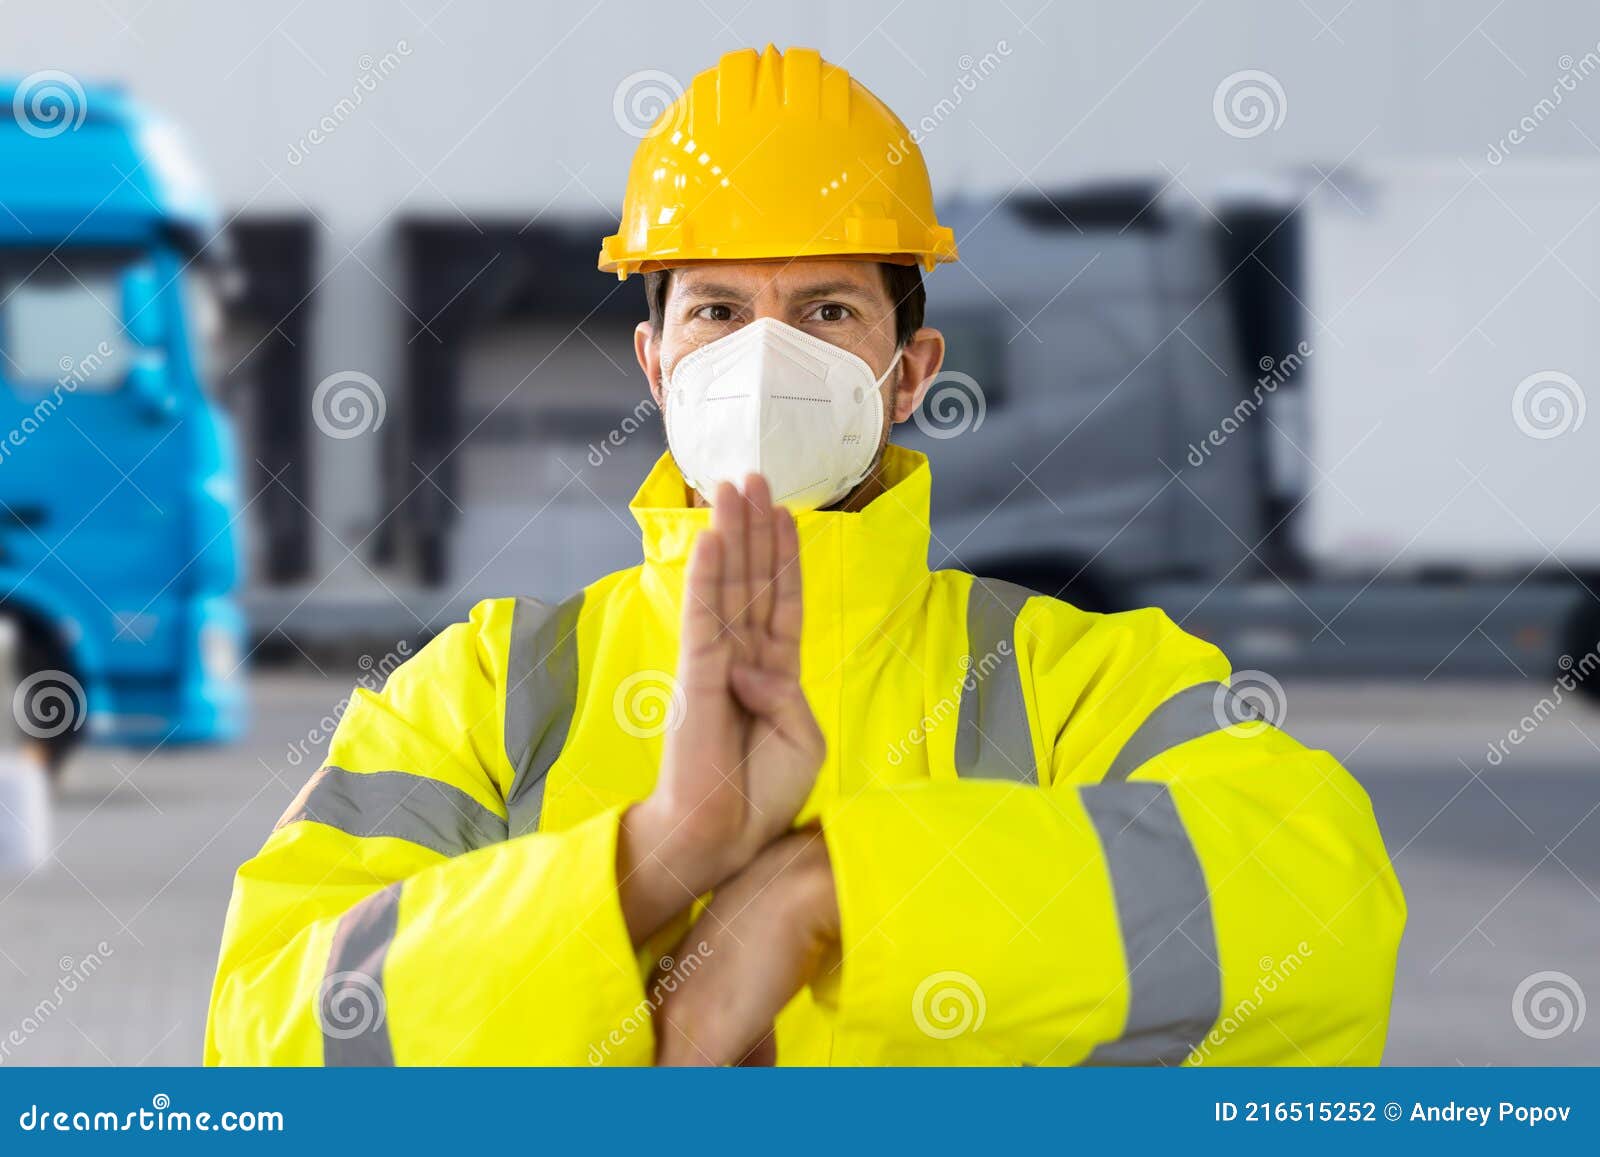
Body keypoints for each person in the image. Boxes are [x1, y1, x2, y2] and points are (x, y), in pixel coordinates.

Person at [205, 45, 1404, 1066]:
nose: (766, 356)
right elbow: (266, 1033)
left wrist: (828, 889)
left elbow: (1329, 909)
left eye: (827, 310)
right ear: (656, 362)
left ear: (912, 371)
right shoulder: (484, 694)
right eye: (718, 310)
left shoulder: (1072, 678)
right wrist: (648, 861)